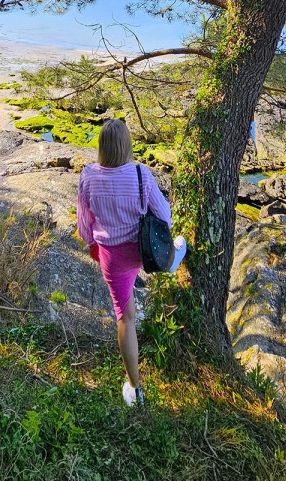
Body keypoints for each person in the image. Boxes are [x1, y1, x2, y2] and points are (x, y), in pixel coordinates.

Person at [76, 118, 187, 407]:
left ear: (102, 145)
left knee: (125, 318)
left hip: (112, 257)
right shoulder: (141, 174)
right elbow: (164, 217)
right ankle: (171, 262)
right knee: (175, 245)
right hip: (142, 250)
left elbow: (84, 226)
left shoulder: (88, 176)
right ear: (126, 145)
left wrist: (92, 246)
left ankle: (135, 388)